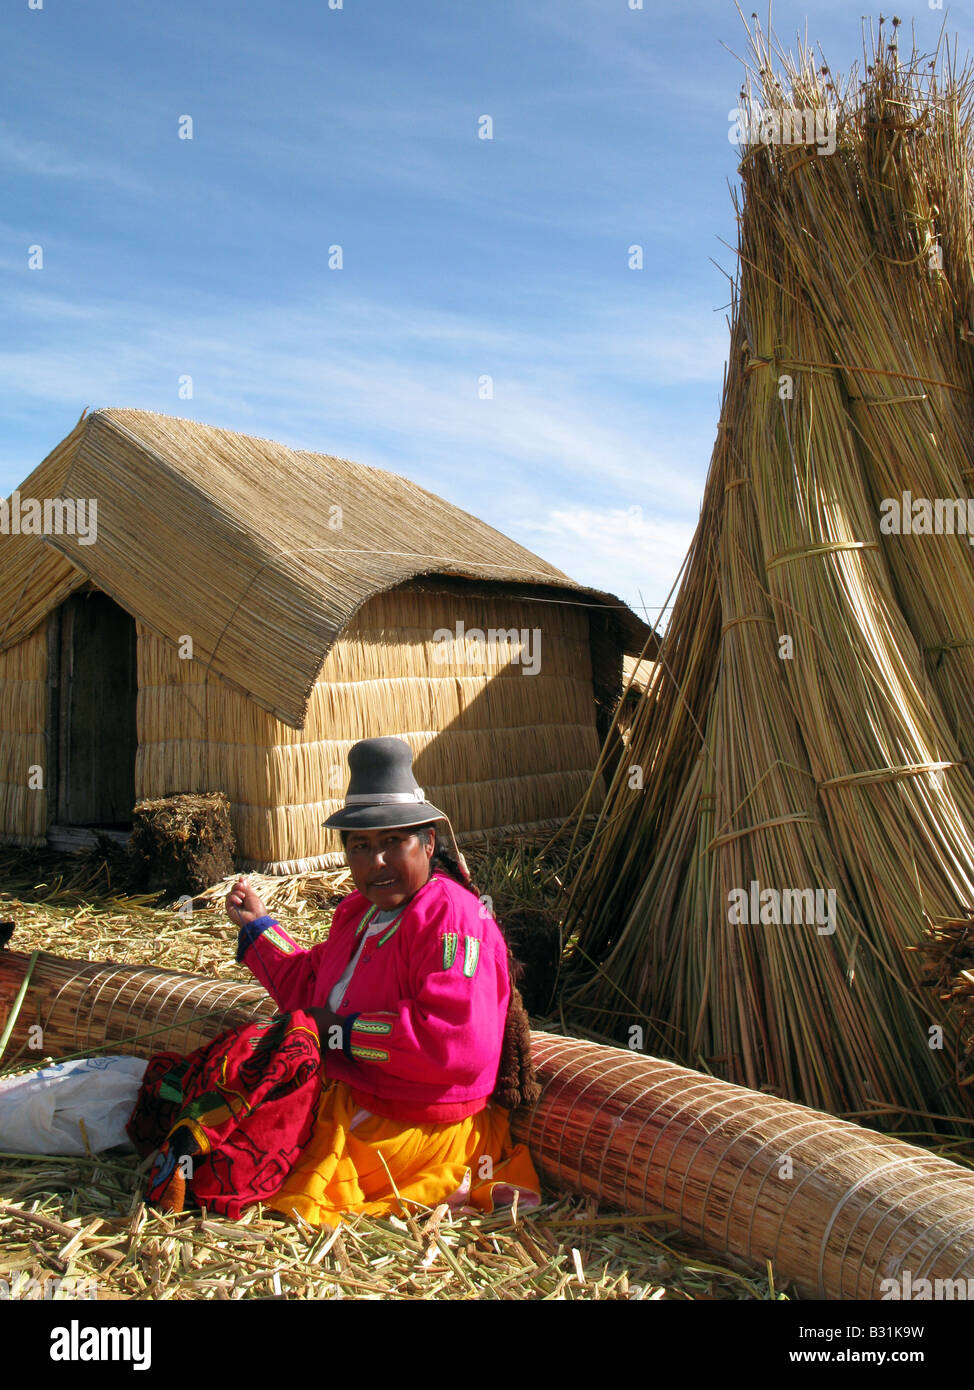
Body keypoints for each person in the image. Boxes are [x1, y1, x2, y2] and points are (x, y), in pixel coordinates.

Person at [183, 736, 541, 1227]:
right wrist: (257, 928)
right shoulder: (358, 912)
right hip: (353, 1093)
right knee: (209, 1106)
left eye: (394, 842)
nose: (376, 862)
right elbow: (311, 983)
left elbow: (454, 1042)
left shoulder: (453, 919)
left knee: (259, 1154)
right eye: (361, 846)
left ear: (429, 843)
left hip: (413, 1122)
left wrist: (343, 1034)